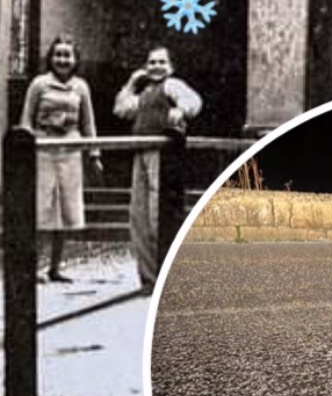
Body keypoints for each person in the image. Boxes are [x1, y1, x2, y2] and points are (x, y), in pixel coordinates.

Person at [113, 46, 202, 292]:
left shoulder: (172, 85)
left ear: (170, 67)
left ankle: (166, 276)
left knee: (157, 214)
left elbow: (193, 102)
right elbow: (121, 110)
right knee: (139, 215)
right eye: (151, 62)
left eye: (162, 62)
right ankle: (149, 277)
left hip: (162, 155)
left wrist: (180, 110)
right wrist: (132, 83)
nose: (156, 67)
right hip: (141, 152)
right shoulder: (143, 93)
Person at [20, 35, 103, 282]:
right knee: (42, 208)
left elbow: (88, 122)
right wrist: (25, 148)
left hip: (70, 152)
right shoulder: (39, 84)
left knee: (66, 210)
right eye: (58, 55)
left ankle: (55, 268)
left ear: (75, 59)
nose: (62, 60)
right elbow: (26, 118)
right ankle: (33, 267)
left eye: (67, 55)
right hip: (43, 150)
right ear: (50, 58)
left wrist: (94, 154)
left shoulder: (81, 87)